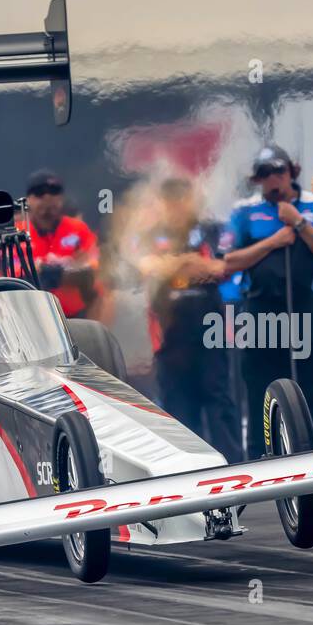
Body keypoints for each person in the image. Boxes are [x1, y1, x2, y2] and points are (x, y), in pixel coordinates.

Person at [226, 145, 313, 457]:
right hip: (261, 311)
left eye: (279, 172)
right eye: (265, 174)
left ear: (292, 172)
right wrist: (273, 242)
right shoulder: (244, 212)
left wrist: (300, 225)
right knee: (261, 388)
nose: (273, 180)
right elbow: (229, 261)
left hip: (306, 308)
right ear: (258, 180)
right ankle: (262, 460)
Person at [133, 178, 243, 463]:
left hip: (209, 327)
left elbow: (221, 267)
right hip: (169, 332)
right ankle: (186, 468)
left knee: (218, 396)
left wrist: (173, 266)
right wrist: (187, 264)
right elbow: (147, 267)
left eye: (182, 198)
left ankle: (232, 465)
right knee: (177, 403)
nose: (177, 205)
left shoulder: (211, 230)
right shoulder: (151, 232)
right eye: (171, 199)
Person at [14, 169, 99, 319]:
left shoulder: (78, 229)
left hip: (75, 316)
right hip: (33, 316)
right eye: (39, 192)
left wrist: (49, 270)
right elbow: (14, 273)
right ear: (28, 200)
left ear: (61, 197)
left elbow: (93, 266)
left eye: (54, 191)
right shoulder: (18, 233)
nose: (47, 197)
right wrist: (66, 268)